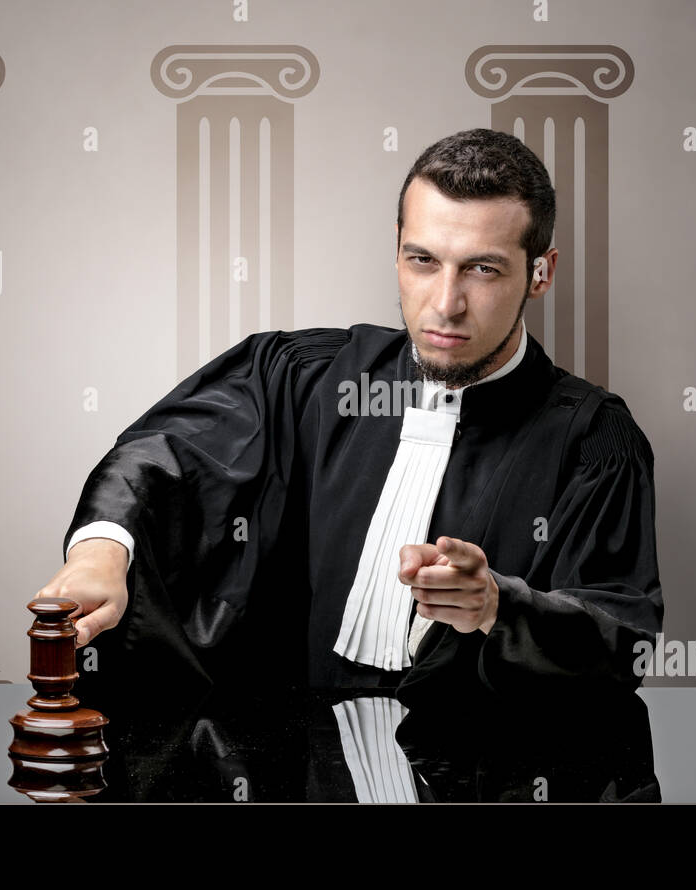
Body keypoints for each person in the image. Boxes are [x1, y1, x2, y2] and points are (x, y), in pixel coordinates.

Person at [39, 128, 663, 705]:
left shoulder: (594, 440)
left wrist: (499, 608)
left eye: (483, 268)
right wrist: (101, 552)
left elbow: (622, 638)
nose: (446, 304)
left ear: (540, 273)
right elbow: (166, 452)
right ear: (395, 252)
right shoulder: (302, 375)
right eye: (423, 261)